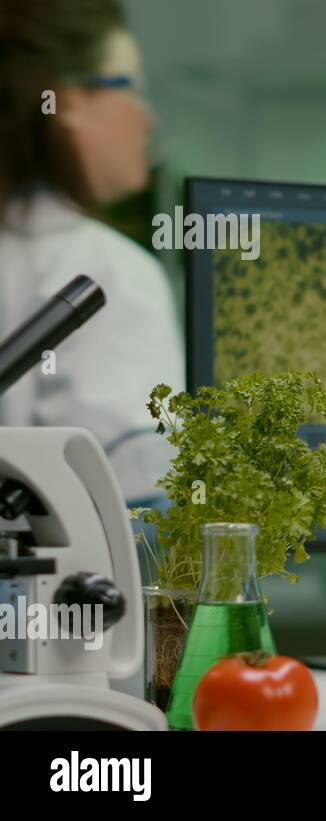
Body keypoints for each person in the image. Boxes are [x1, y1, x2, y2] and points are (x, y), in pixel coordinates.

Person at [0, 0, 183, 506]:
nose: (147, 120)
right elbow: (137, 521)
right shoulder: (109, 271)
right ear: (69, 101)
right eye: (131, 86)